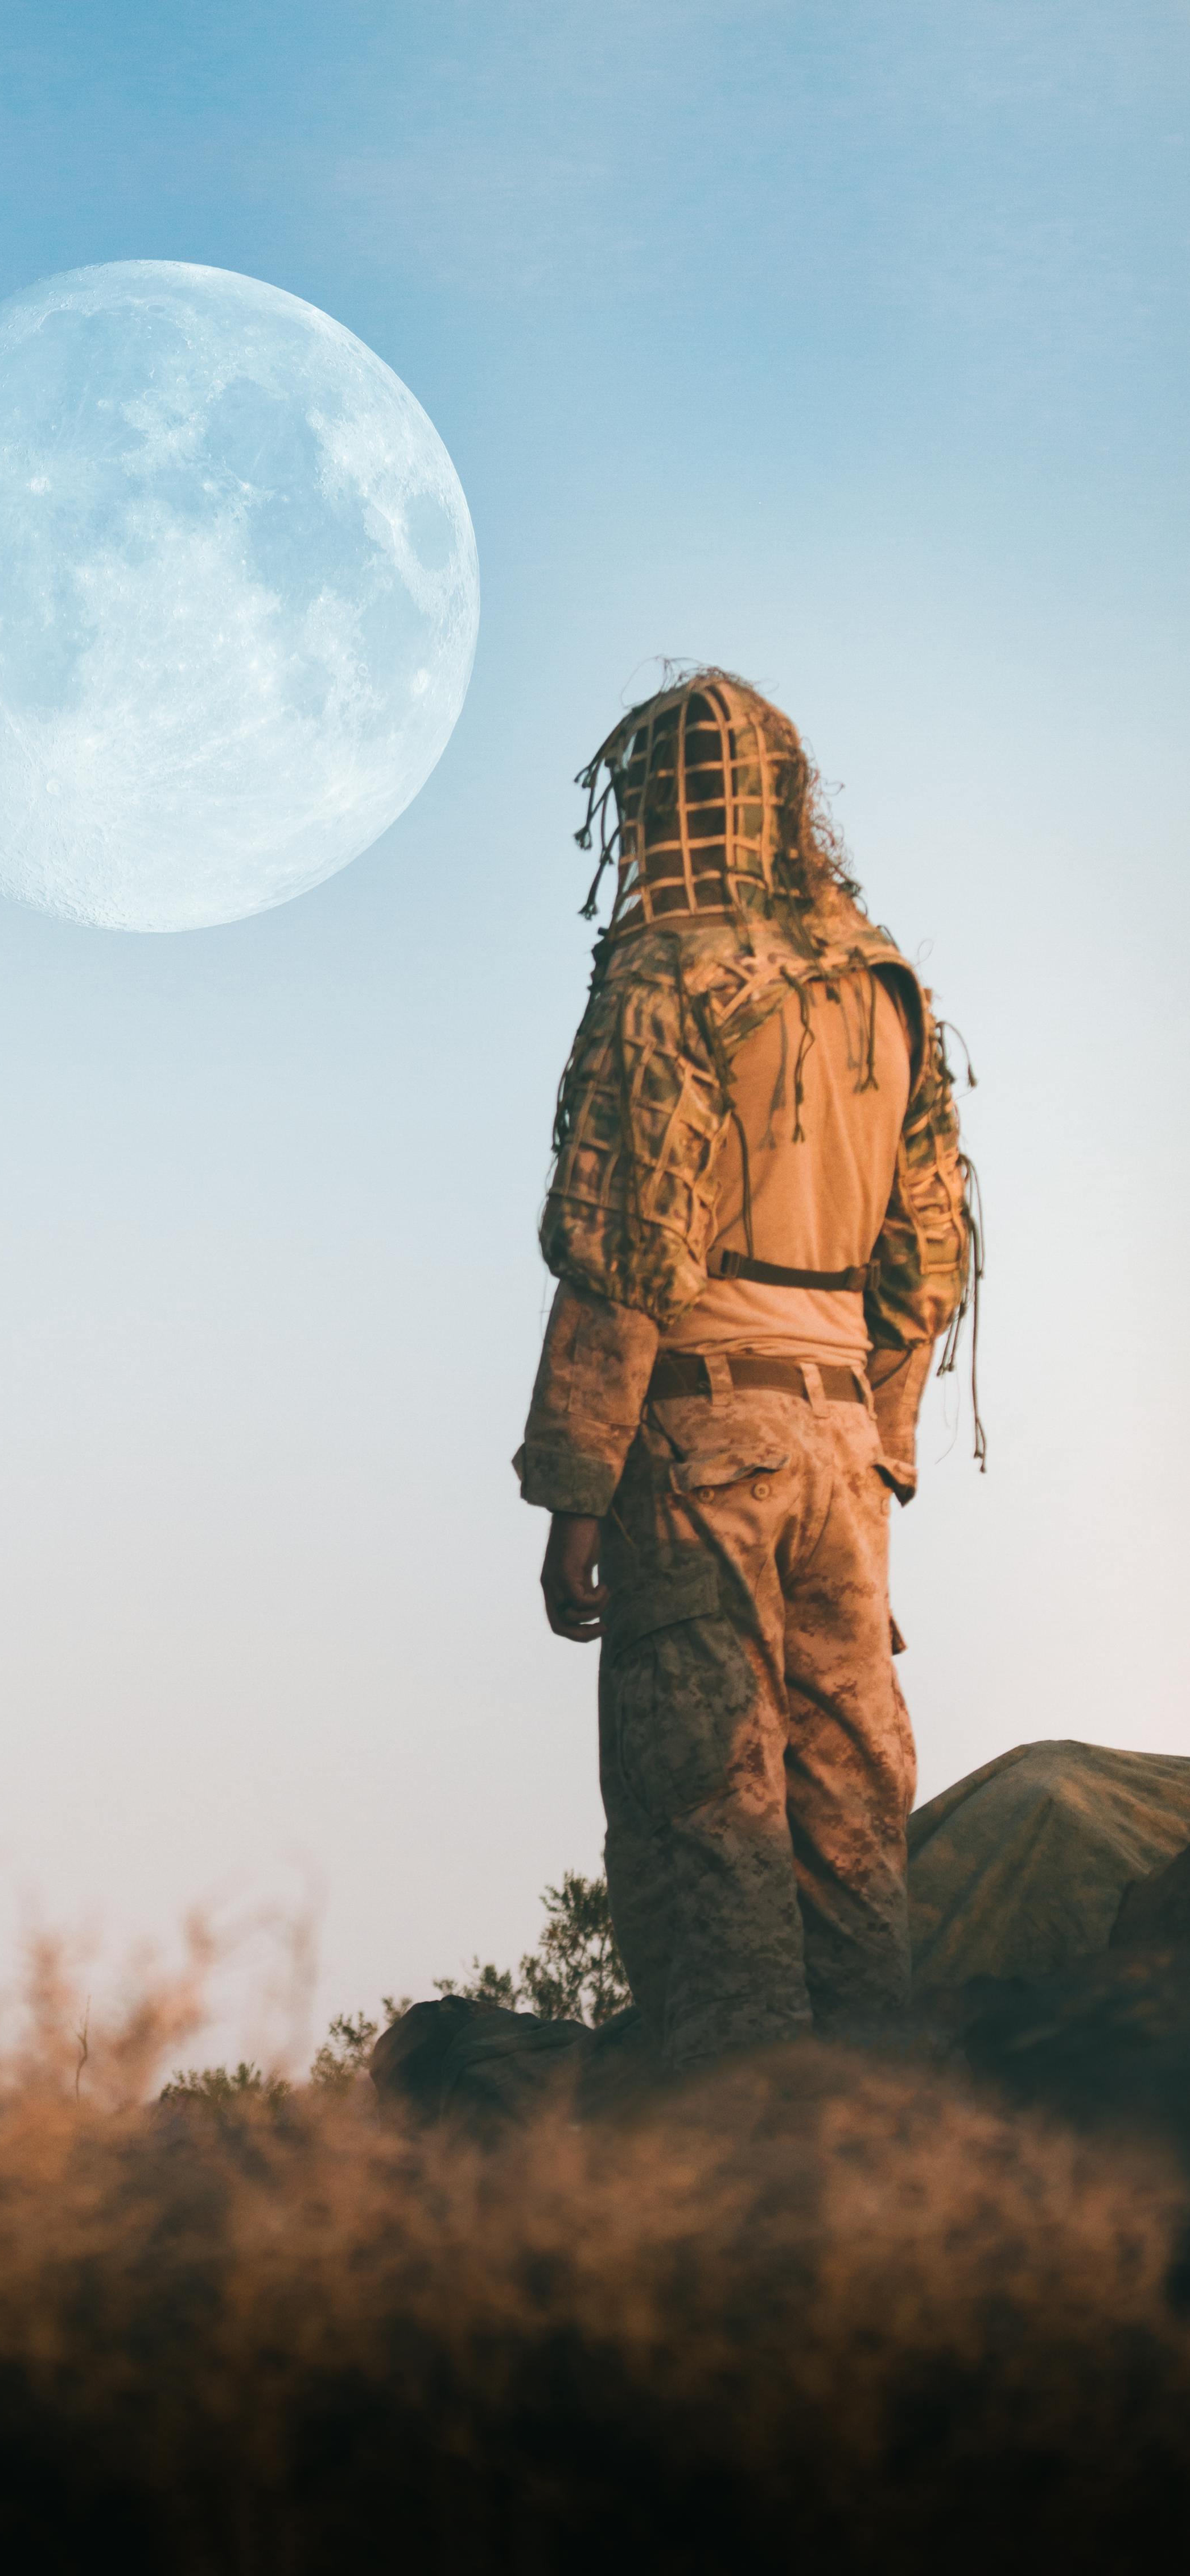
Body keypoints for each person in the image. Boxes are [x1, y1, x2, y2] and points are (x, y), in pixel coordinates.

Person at [518, 669, 976, 2073]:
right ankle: (876, 2161)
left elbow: (622, 1251)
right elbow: (933, 1253)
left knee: (702, 1806)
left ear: (657, 808)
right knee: (851, 1813)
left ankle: (743, 2178)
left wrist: (575, 1491)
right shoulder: (878, 981)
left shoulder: (663, 976)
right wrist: (879, 1445)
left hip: (702, 1436)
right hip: (843, 1447)